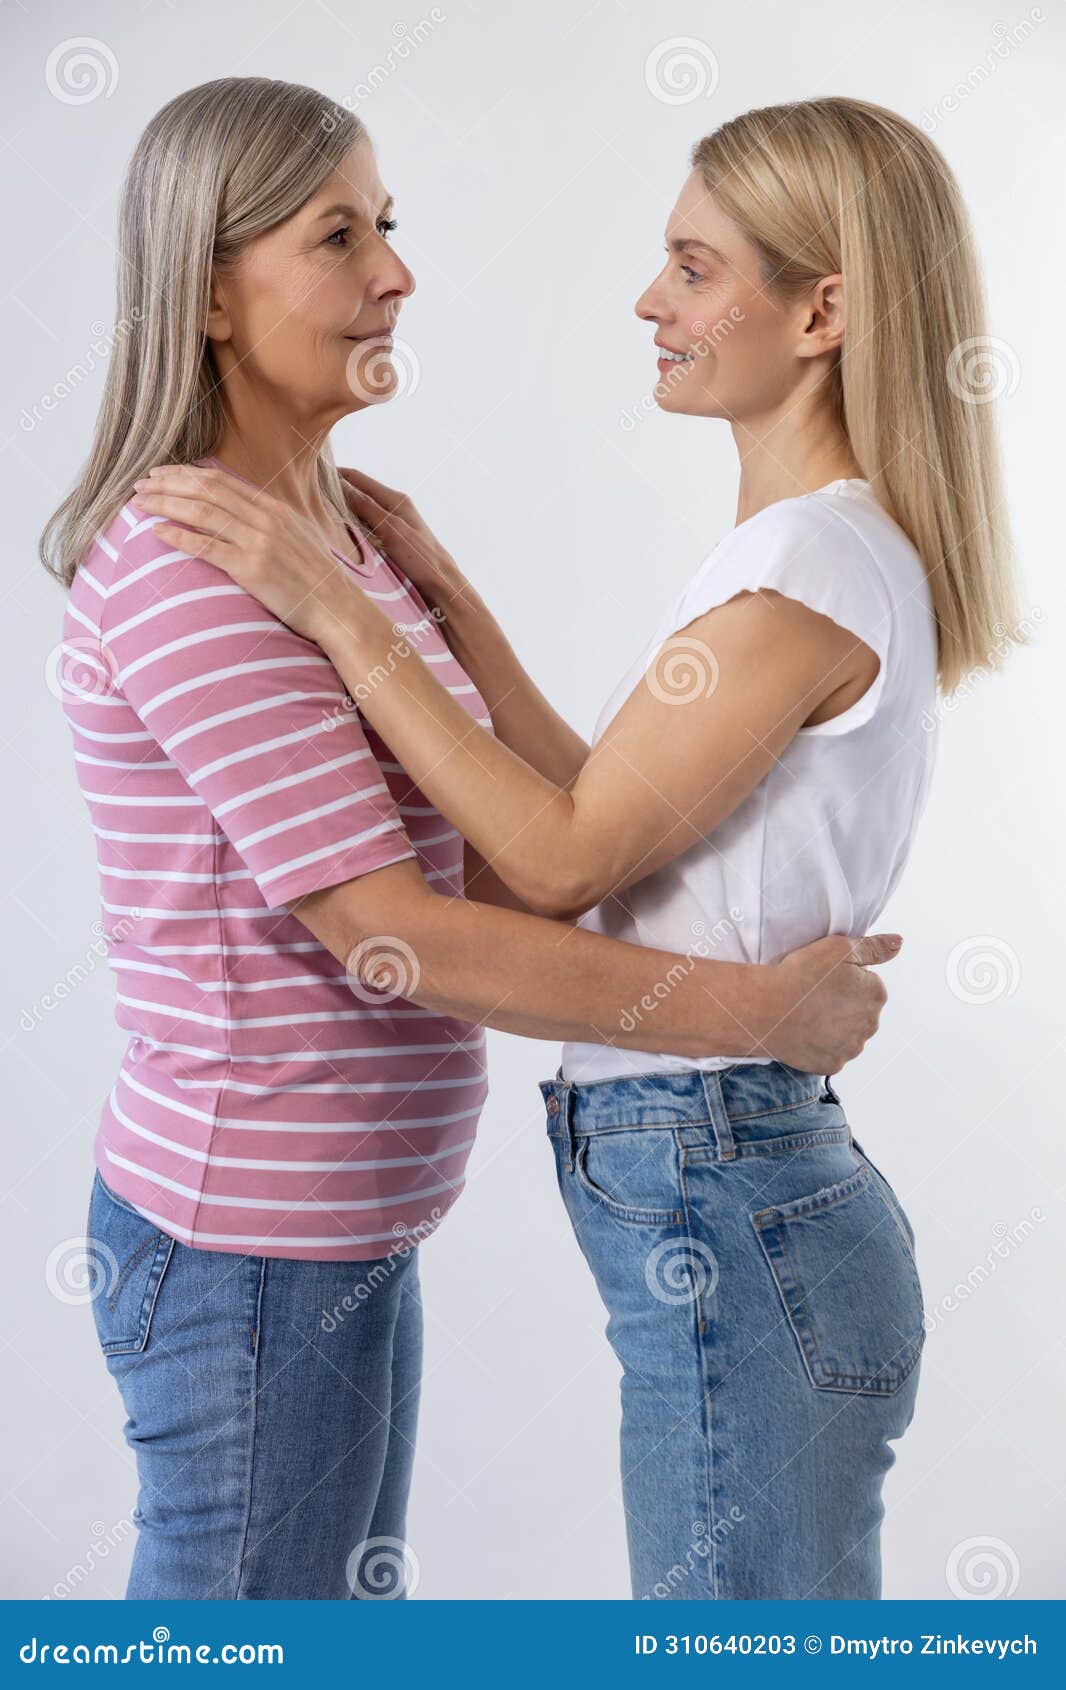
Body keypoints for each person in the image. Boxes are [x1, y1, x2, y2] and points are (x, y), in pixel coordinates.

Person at [142, 95, 1024, 1599]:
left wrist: (348, 614)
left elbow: (553, 861)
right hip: (737, 1176)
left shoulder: (806, 563)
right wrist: (452, 606)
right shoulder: (803, 550)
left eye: (690, 267)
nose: (648, 301)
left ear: (820, 311)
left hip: (727, 1174)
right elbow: (612, 825)